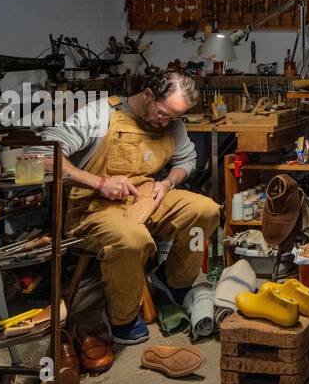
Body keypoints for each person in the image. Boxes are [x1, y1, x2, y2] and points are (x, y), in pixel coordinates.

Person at [39, 71, 217, 344]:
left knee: (206, 209)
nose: (166, 121)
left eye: (174, 117)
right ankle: (122, 318)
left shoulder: (171, 123)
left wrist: (168, 183)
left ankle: (174, 282)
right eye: (162, 113)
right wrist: (99, 183)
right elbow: (43, 153)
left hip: (146, 199)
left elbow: (187, 159)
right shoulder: (101, 114)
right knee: (132, 239)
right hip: (94, 208)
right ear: (147, 95)